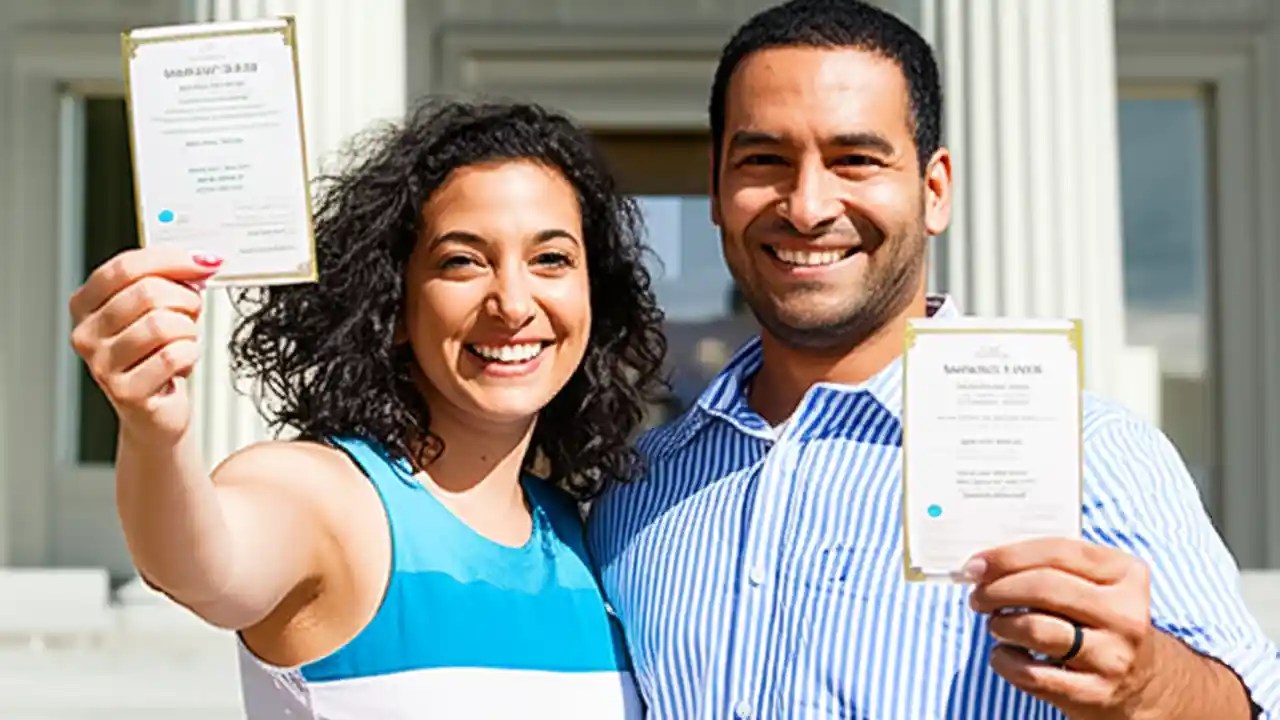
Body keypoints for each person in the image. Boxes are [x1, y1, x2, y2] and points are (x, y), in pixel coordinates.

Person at [586, 1, 1280, 718]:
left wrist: (1152, 685)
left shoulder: (1092, 454)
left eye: (855, 159)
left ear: (934, 189)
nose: (807, 205)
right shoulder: (639, 490)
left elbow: (1254, 697)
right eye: (765, 161)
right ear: (717, 188)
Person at [68, 99, 665, 719]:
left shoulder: (590, 538)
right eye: (462, 261)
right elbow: (201, 568)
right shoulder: (325, 496)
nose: (513, 303)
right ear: (395, 305)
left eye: (551, 260)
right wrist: (153, 429)